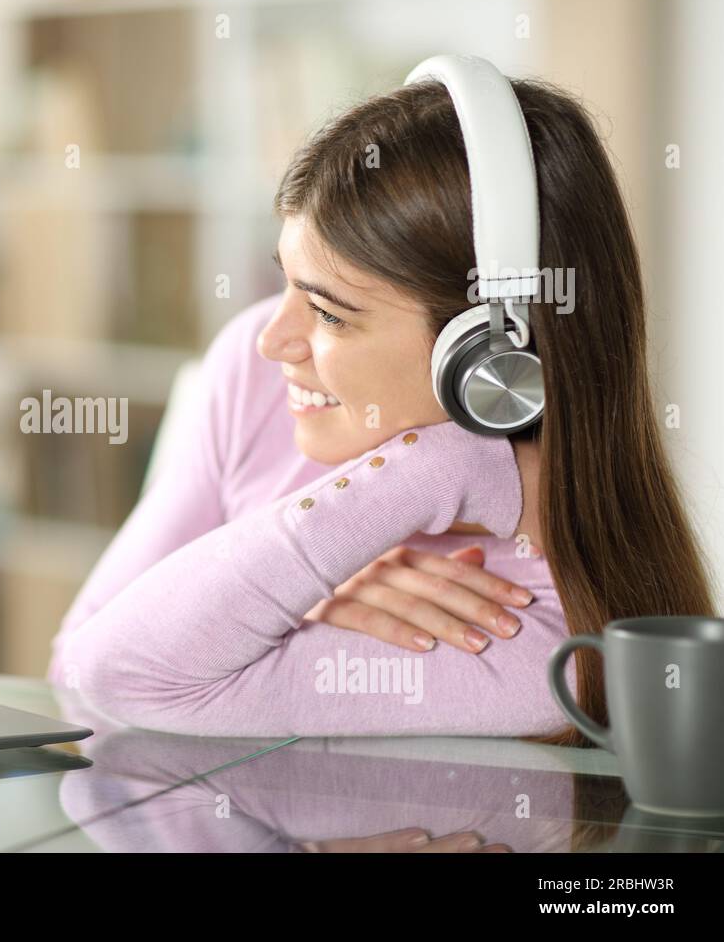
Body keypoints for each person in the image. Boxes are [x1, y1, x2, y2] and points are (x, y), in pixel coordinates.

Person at [46, 74, 714, 745]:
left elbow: (117, 673)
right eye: (285, 280)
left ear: (488, 357)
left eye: (330, 313)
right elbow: (70, 670)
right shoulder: (253, 380)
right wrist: (302, 590)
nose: (270, 339)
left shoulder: (537, 626)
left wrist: (439, 468)